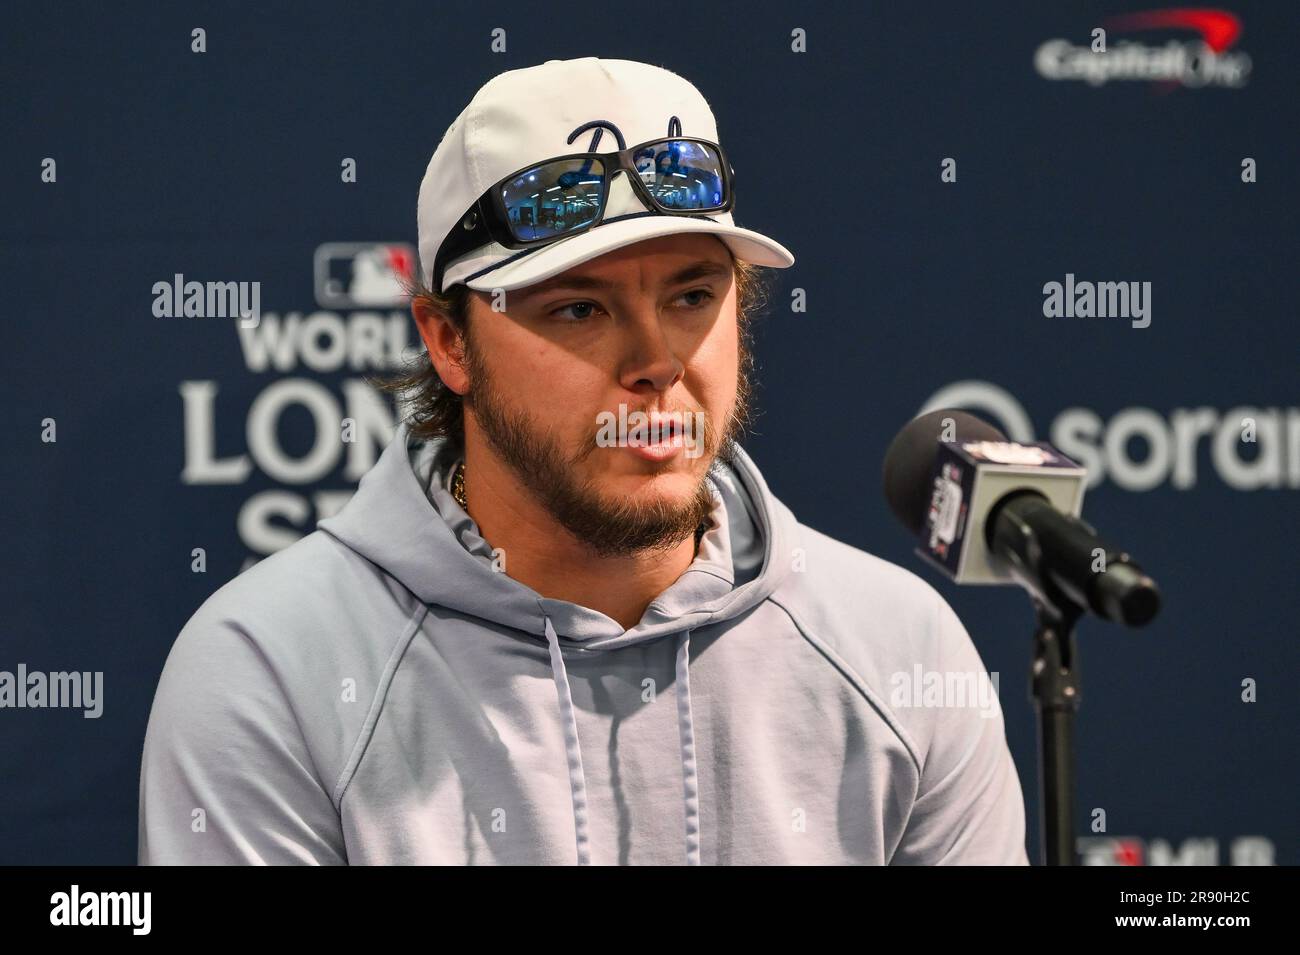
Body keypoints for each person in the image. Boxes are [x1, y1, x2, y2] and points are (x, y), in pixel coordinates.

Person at [138, 56, 1028, 865]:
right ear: (450, 342)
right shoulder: (271, 668)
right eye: (578, 310)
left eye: (692, 295)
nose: (656, 359)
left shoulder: (895, 648)